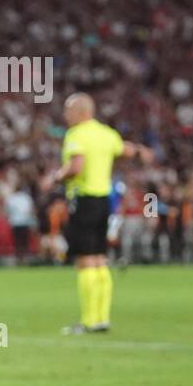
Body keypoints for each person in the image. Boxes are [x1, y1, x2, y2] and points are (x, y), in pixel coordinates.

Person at [42, 93, 152, 334]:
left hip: (84, 200)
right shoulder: (106, 133)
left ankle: (88, 320)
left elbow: (76, 167)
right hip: (104, 201)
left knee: (85, 260)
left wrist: (55, 177)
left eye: (68, 110)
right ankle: (102, 318)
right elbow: (126, 150)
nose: (65, 115)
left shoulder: (76, 134)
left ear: (81, 112)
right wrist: (141, 150)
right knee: (100, 259)